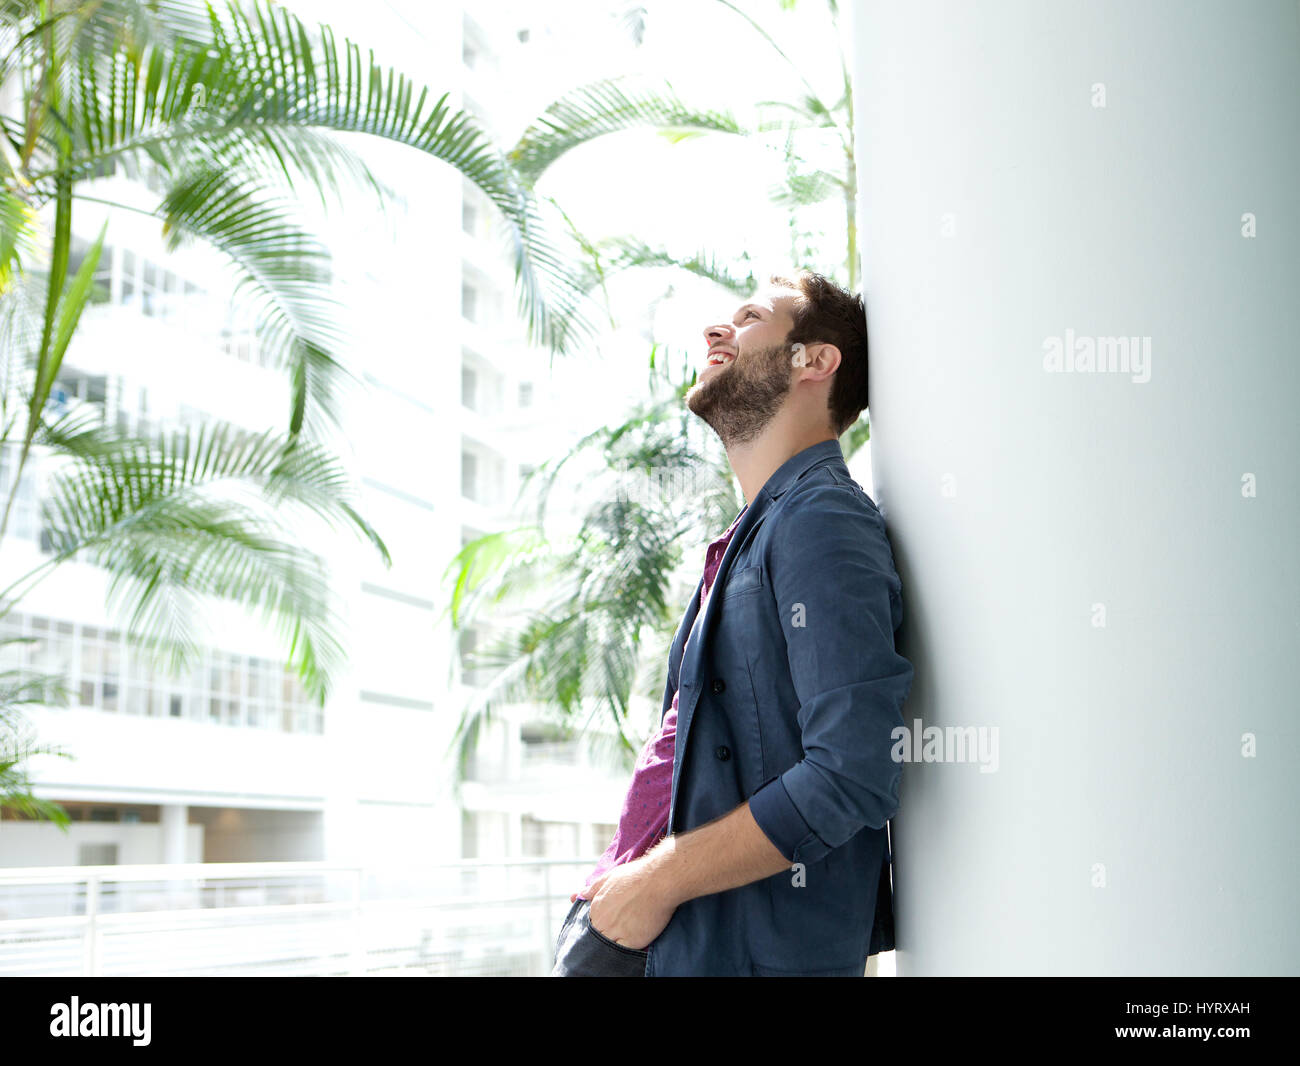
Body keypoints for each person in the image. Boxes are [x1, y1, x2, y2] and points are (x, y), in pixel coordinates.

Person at [550, 270, 914, 977]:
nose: (716, 330)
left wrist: (649, 887)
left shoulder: (822, 520)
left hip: (704, 942)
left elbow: (851, 772)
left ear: (816, 359)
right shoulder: (760, 530)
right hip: (645, 936)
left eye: (748, 317)